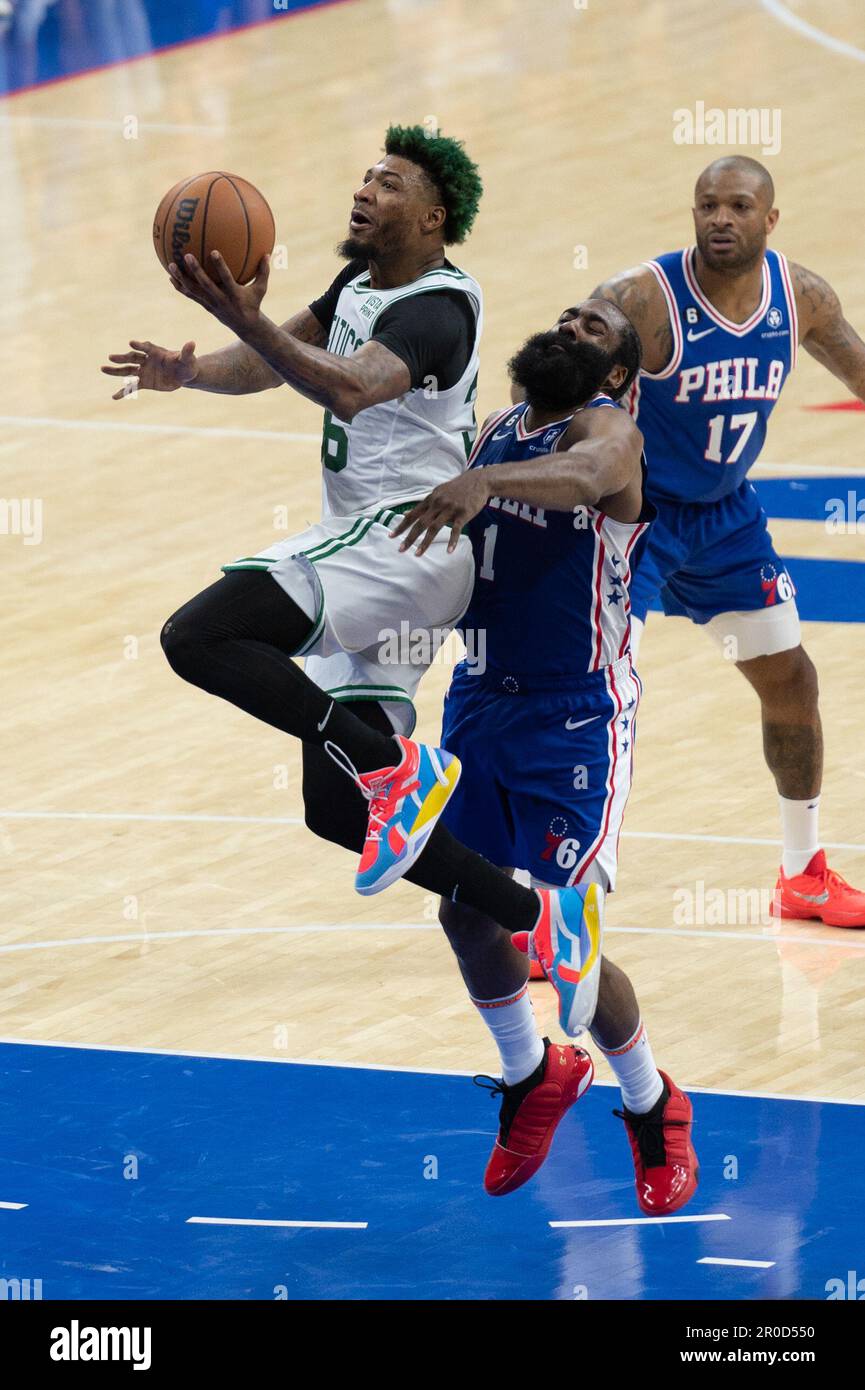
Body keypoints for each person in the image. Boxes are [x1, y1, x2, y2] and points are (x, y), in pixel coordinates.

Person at [100, 126, 613, 1030]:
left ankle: (396, 770)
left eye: (390, 181)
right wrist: (192, 370)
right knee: (336, 810)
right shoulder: (356, 284)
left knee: (199, 636)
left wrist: (242, 314)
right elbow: (272, 362)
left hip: (404, 542)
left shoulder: (436, 309)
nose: (367, 189)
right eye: (365, 175)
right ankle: (538, 914)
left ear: (432, 215)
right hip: (378, 553)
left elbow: (348, 386)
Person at [389, 300, 698, 1211]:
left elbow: (586, 473)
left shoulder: (611, 433)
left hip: (577, 718)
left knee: (566, 937)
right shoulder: (495, 431)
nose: (570, 326)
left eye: (594, 329)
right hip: (481, 698)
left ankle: (650, 1102)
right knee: (465, 910)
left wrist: (486, 486)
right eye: (567, 316)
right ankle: (532, 1073)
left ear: (616, 376)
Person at [591, 155, 865, 928]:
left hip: (723, 522)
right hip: (631, 519)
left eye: (738, 206)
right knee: (600, 704)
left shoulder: (798, 295)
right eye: (706, 205)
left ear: (768, 219)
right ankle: (562, 899)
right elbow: (539, 385)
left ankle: (801, 873)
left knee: (792, 679)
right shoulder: (639, 300)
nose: (719, 218)